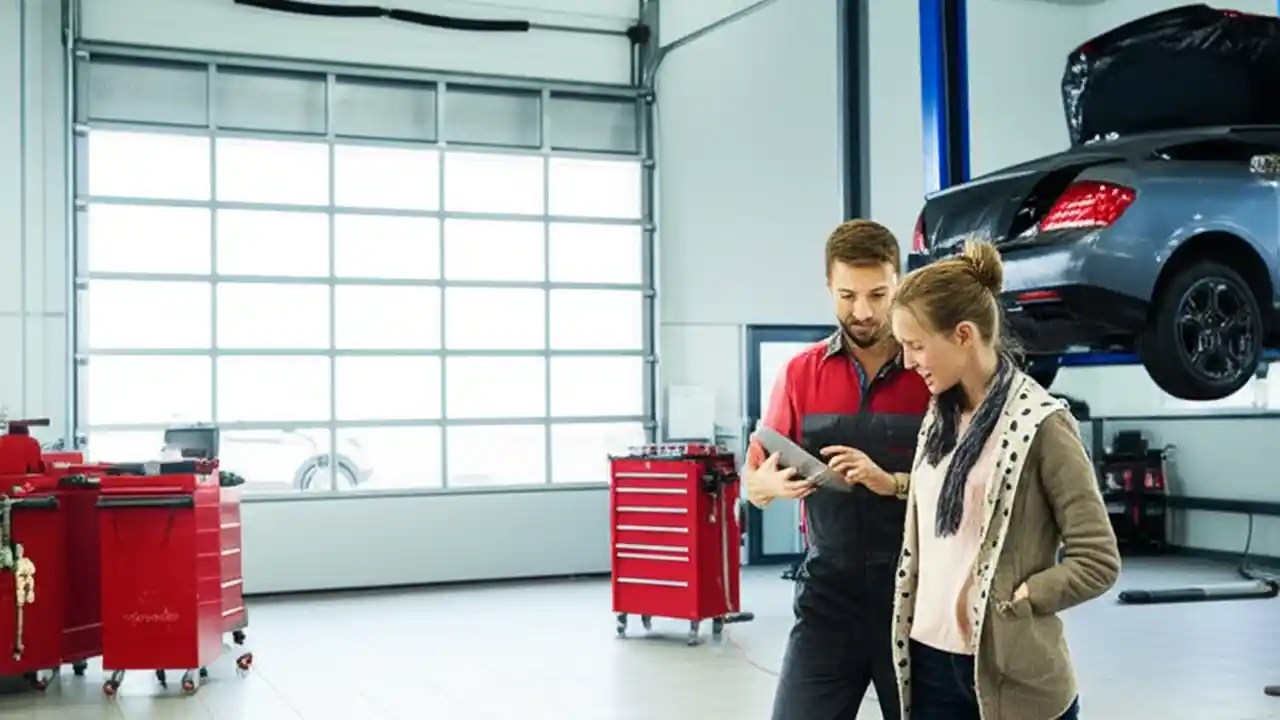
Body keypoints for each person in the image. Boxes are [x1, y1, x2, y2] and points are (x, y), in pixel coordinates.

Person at [886, 239, 1122, 720]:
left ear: (964, 335)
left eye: (916, 345)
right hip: (929, 661)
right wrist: (891, 483)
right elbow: (962, 508)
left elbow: (1098, 559)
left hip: (1013, 673)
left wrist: (1023, 597)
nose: (908, 361)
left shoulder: (1043, 425)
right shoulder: (940, 417)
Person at [744, 219, 932, 720]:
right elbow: (753, 480)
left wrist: (889, 481)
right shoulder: (800, 374)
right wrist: (764, 486)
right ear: (829, 286)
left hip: (918, 598)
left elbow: (963, 478)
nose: (863, 311)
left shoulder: (930, 372)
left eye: (878, 293)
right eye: (847, 295)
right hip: (829, 597)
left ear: (900, 284)